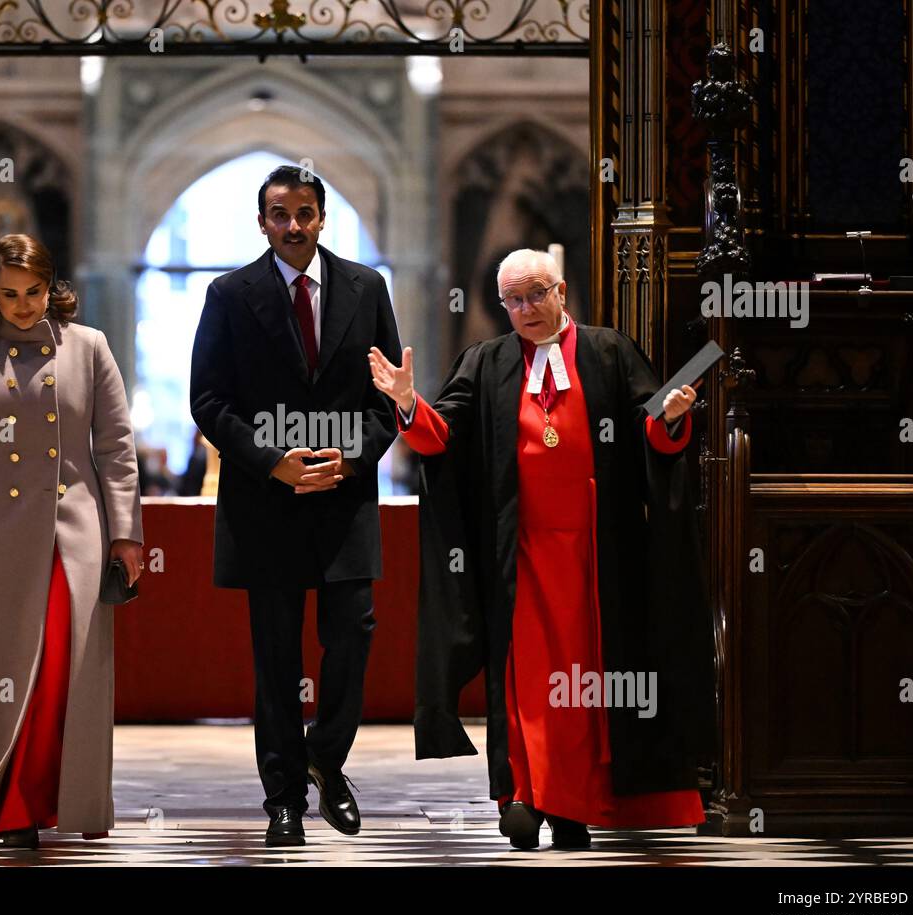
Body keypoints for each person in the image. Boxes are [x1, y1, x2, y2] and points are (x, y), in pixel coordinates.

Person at [369, 248, 716, 850]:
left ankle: (574, 806)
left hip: (595, 557)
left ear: (563, 292)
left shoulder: (608, 352)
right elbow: (442, 438)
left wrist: (671, 419)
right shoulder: (487, 361)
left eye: (536, 294)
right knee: (530, 684)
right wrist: (407, 403)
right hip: (520, 555)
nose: (526, 309)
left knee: (584, 685)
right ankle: (527, 794)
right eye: (513, 300)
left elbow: (651, 428)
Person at [190, 165, 403, 847]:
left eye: (304, 212)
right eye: (279, 214)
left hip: (345, 497)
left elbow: (388, 398)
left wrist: (353, 456)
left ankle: (326, 756)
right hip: (267, 502)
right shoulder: (229, 294)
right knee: (277, 659)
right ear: (262, 222)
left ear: (321, 217)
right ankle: (282, 798)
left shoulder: (369, 288)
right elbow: (208, 399)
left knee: (353, 636)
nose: (292, 225)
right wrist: (272, 462)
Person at [0, 233, 144, 849]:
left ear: (53, 289)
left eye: (34, 292)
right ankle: (14, 809)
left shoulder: (90, 348)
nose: (23, 306)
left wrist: (127, 534)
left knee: (68, 671)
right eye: (9, 295)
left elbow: (116, 448)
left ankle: (72, 803)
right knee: (8, 673)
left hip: (77, 536)